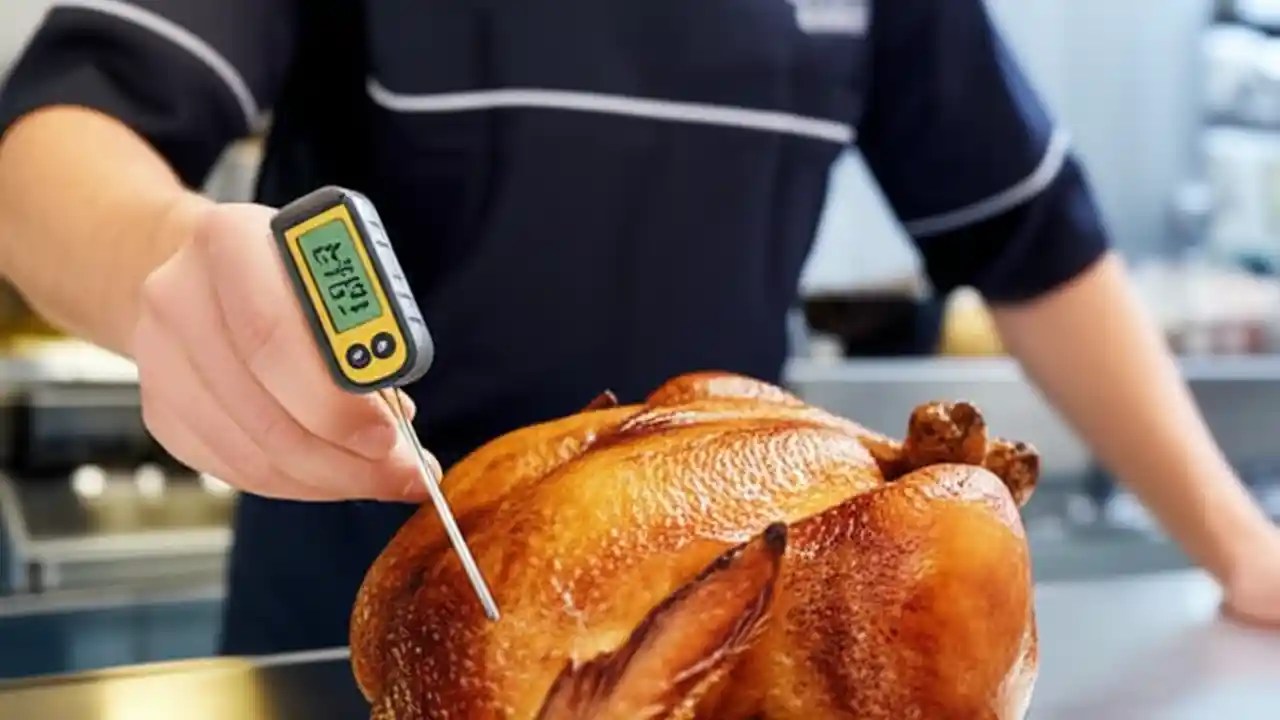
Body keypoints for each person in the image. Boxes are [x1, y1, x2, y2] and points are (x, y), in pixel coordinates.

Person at [0, 0, 1276, 655]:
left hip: (722, 643)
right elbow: (50, 144)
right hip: (348, 626)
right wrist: (166, 261)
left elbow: (1033, 244)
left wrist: (1239, 546)